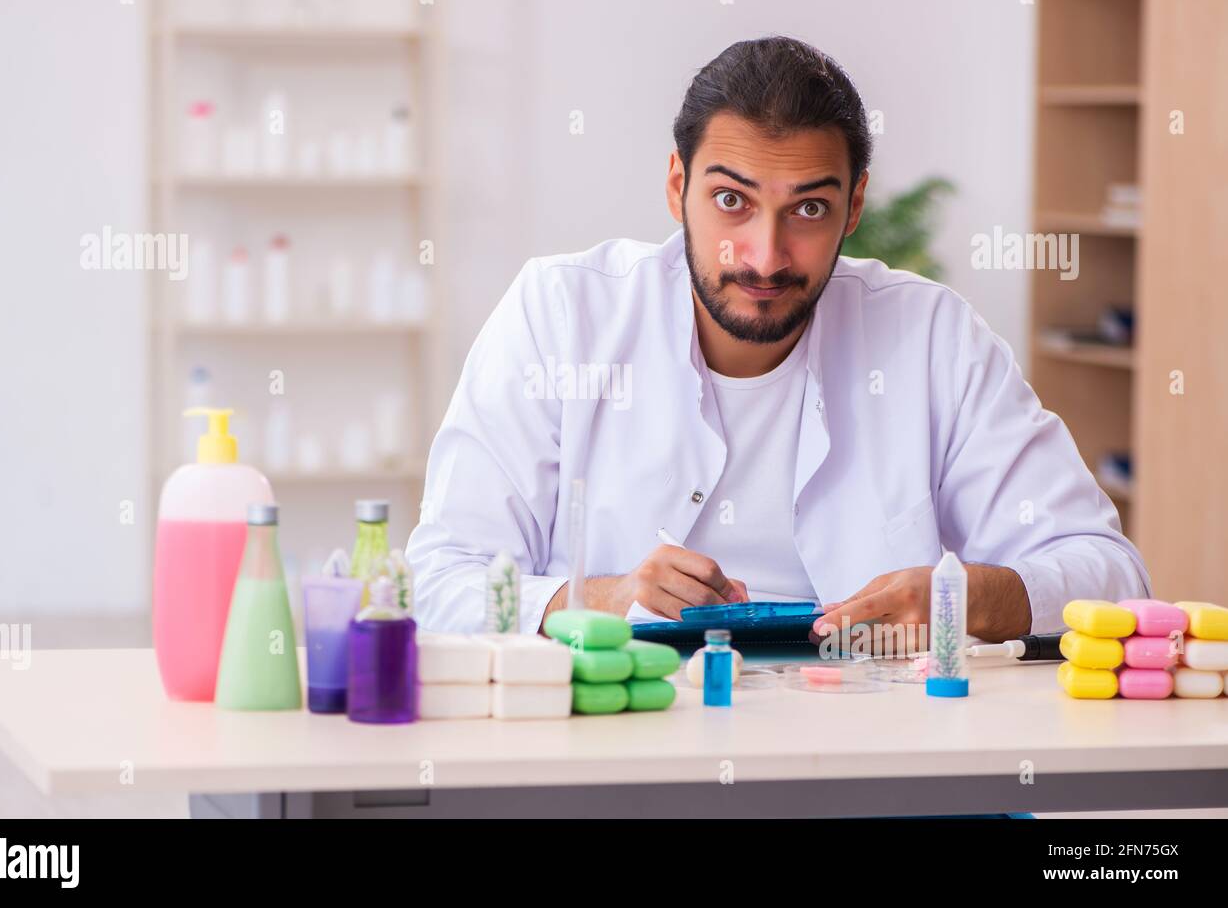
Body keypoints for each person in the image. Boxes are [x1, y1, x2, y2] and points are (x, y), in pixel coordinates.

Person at [406, 36, 1149, 641]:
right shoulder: (563, 316)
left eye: (809, 209)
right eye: (732, 200)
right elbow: (440, 578)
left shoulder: (932, 338)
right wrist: (600, 596)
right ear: (677, 187)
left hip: (871, 758)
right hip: (619, 749)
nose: (763, 255)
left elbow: (1109, 573)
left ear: (854, 205)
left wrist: (969, 598)